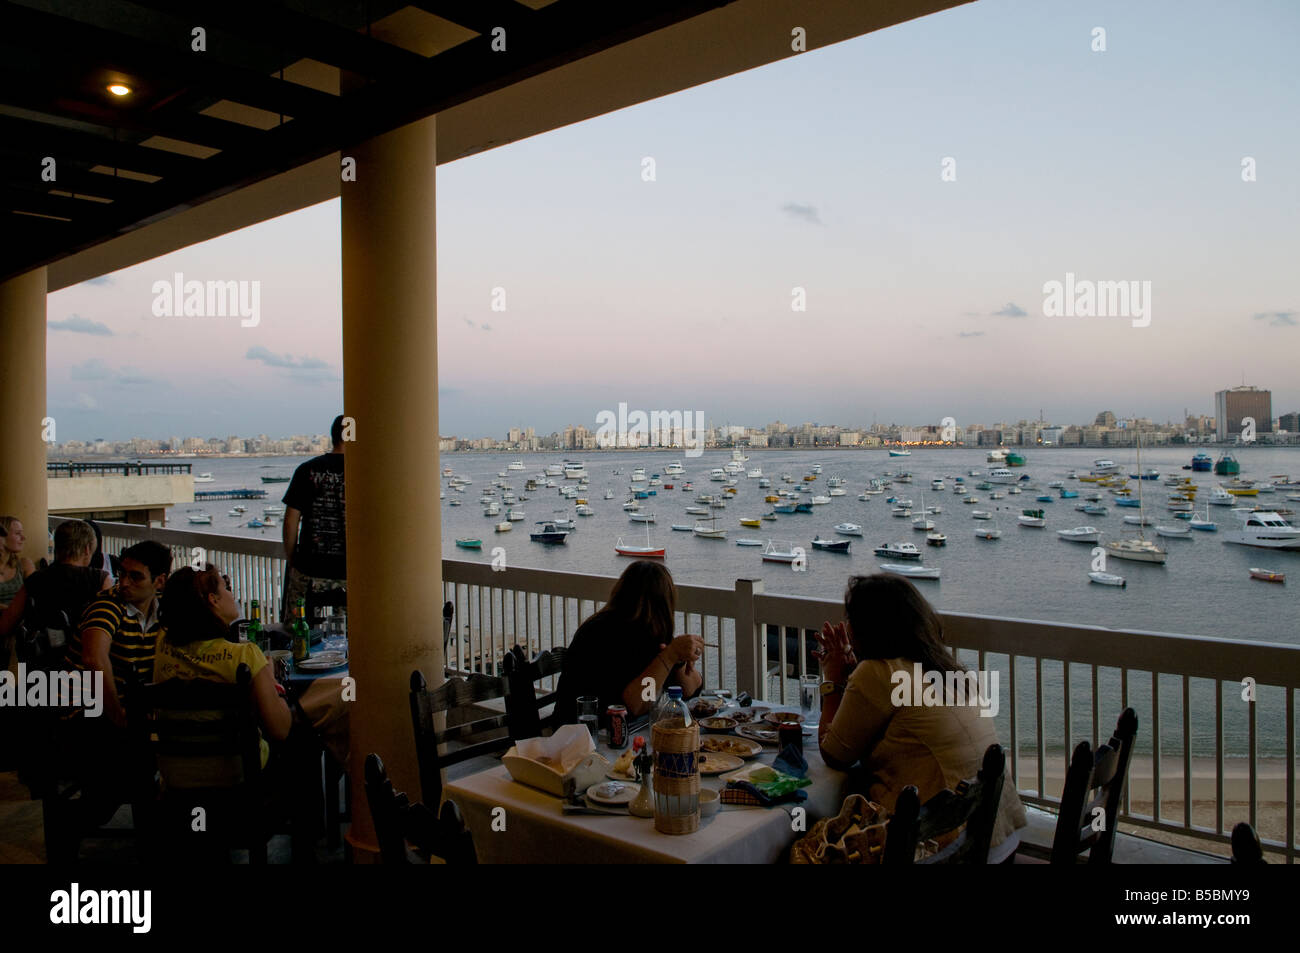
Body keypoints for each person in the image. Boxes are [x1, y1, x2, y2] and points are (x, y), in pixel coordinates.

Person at [814, 573, 1027, 862]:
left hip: (944, 847)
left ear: (868, 625)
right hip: (995, 832)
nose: (848, 627)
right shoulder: (949, 671)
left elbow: (835, 753)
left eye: (850, 618)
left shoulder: (879, 673)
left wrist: (833, 682)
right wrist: (851, 676)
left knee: (809, 843)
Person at [155, 565, 292, 768]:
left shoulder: (162, 643)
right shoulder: (245, 656)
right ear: (214, 599)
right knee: (300, 743)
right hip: (237, 779)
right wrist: (272, 681)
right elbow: (280, 729)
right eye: (226, 587)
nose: (231, 593)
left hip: (175, 778)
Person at [554, 561, 704, 726]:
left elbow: (691, 690)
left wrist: (679, 659)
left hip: (612, 730)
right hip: (585, 735)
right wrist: (669, 656)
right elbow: (638, 704)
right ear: (664, 602)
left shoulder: (649, 632)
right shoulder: (606, 634)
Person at [65, 540, 172, 727]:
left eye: (135, 577)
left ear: (160, 581)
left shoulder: (165, 608)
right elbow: (93, 659)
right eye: (122, 573)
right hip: (82, 707)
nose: (123, 582)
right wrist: (119, 720)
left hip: (129, 705)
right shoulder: (107, 606)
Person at [0, 519, 112, 648]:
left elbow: (5, 625)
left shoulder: (35, 579)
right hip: (83, 656)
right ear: (87, 549)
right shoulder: (100, 579)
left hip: (43, 661)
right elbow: (109, 626)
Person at [281, 415, 346, 624]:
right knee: (354, 637)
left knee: (298, 631)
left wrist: (293, 559)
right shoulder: (368, 472)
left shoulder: (306, 470)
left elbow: (291, 520)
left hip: (309, 569)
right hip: (353, 571)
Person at [0, 515, 38, 609]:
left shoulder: (24, 565)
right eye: (17, 533)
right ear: (2, 536)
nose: (23, 538)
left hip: (21, 619)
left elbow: (36, 595)